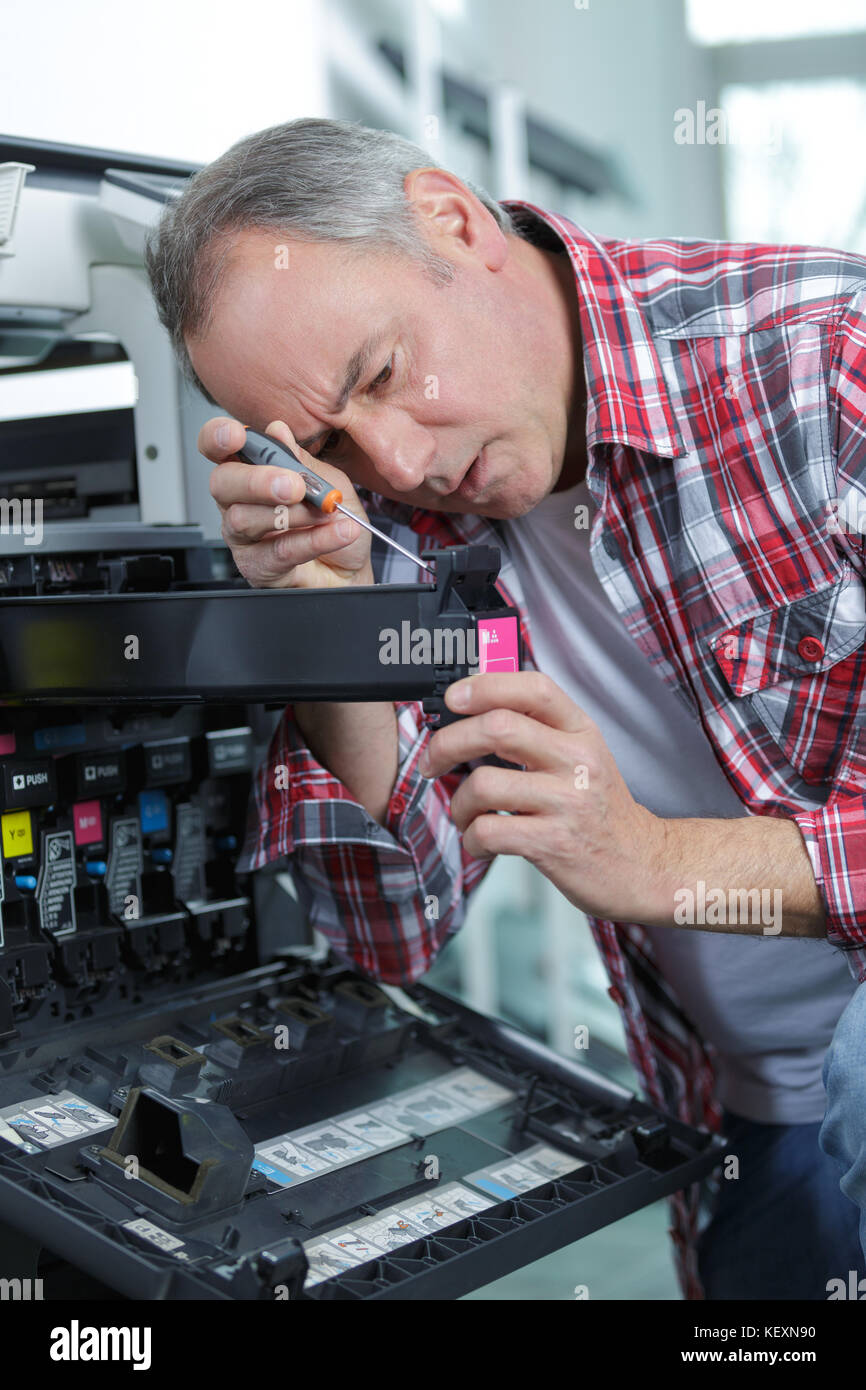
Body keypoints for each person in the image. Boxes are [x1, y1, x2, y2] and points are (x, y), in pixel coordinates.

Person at [145, 117, 866, 1299]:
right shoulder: (405, 537)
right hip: (740, 1130)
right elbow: (390, 933)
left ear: (454, 220)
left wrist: (652, 859)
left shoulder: (824, 363)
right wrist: (327, 625)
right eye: (330, 441)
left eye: (381, 374)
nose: (395, 458)